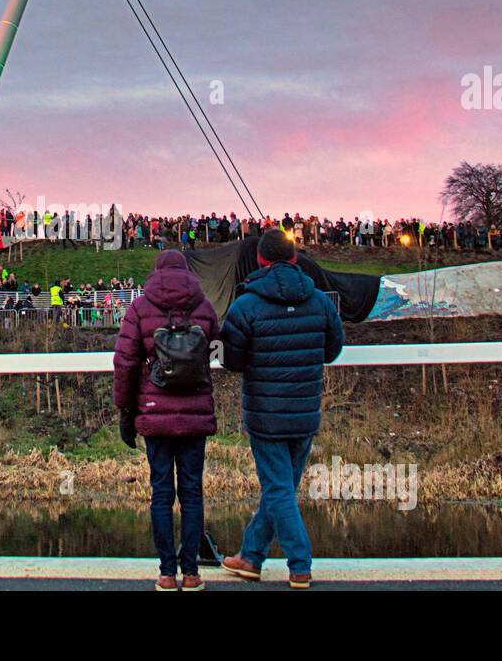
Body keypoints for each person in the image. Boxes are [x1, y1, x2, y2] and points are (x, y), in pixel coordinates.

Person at [219, 230, 344, 589]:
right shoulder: (319, 301)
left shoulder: (246, 305)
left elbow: (231, 359)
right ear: (294, 258)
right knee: (282, 487)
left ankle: (300, 564)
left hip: (265, 414)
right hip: (304, 411)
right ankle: (251, 556)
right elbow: (333, 349)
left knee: (277, 489)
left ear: (260, 260)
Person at [113, 250, 219, 591]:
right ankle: (191, 573)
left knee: (161, 494)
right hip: (195, 414)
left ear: (156, 272)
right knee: (192, 493)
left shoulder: (140, 309)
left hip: (154, 410)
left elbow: (126, 363)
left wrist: (126, 411)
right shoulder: (204, 307)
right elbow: (217, 351)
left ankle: (166, 574)